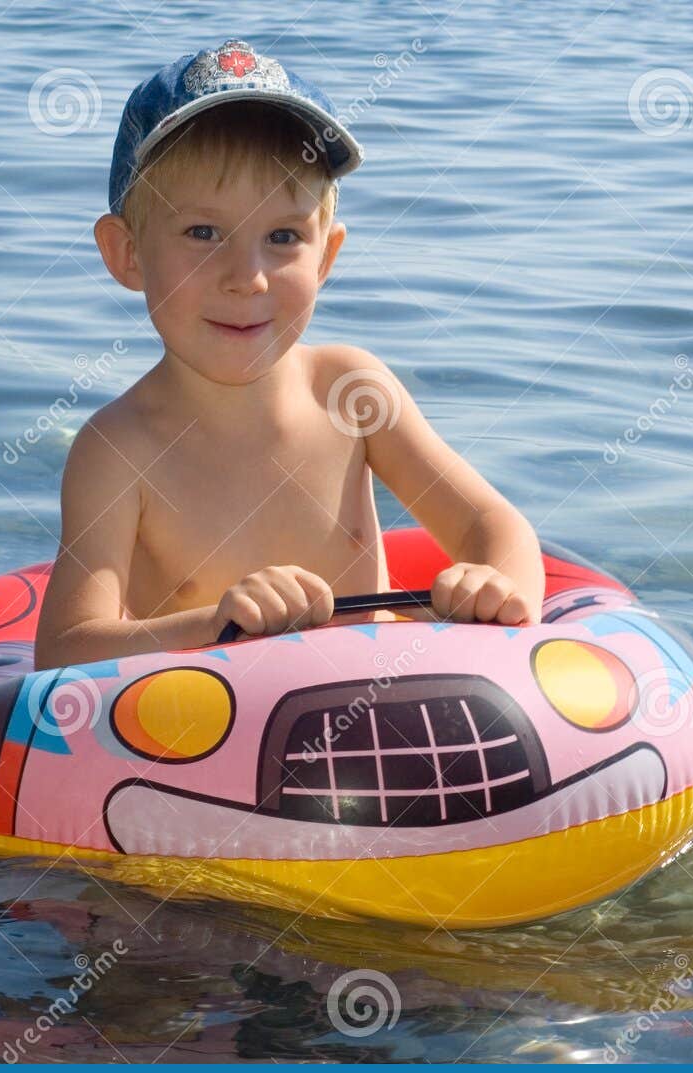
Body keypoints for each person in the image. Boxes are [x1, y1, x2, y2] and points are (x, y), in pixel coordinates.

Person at [34, 39, 542, 671]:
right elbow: (64, 652)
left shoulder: (351, 393)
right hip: (209, 723)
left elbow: (493, 525)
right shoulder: (117, 451)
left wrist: (496, 587)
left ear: (326, 255)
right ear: (128, 253)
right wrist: (215, 625)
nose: (247, 278)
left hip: (380, 705)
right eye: (203, 232)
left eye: (282, 236)